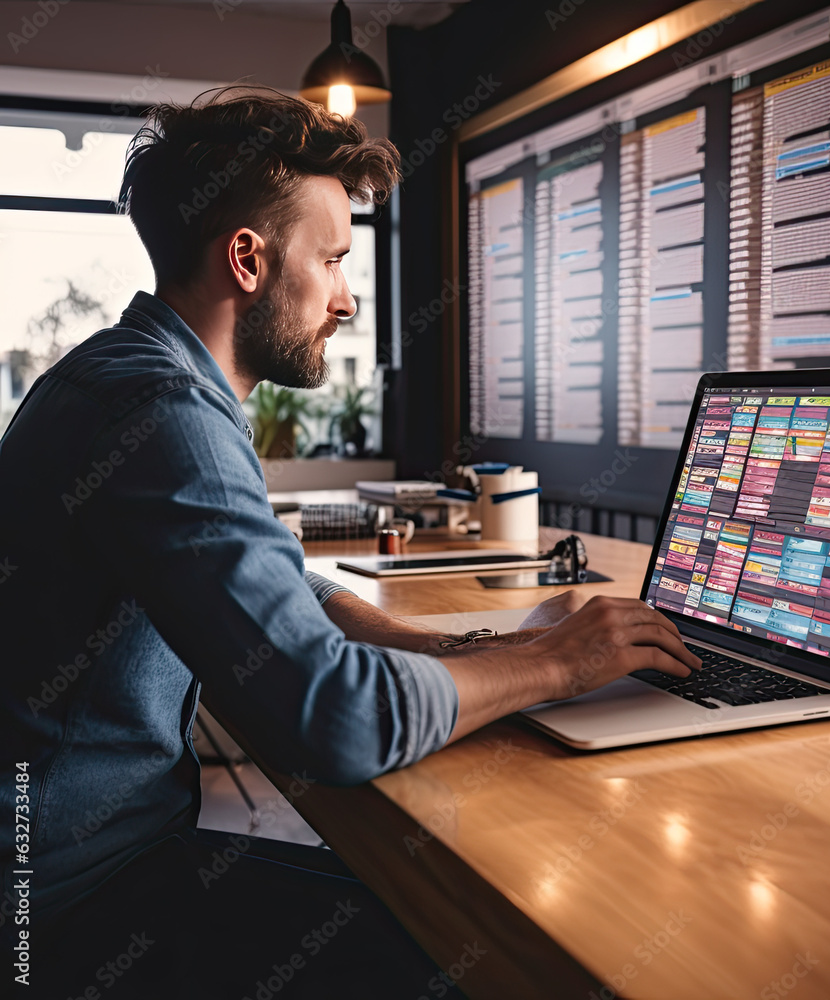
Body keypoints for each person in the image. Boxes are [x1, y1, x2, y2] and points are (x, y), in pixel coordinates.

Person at [0, 86, 700, 998]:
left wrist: (484, 648)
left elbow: (288, 587)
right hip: (54, 916)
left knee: (432, 914)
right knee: (478, 957)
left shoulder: (126, 374)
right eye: (331, 259)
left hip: (86, 865)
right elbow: (332, 718)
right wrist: (562, 669)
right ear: (247, 260)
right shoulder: (162, 410)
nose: (346, 297)